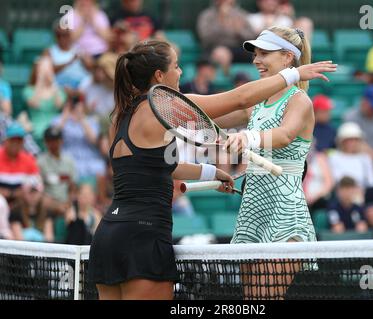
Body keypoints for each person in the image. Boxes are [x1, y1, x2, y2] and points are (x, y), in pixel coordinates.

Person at [87, 39, 336, 300]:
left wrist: (212, 173)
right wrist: (294, 73)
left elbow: (159, 168)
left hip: (108, 237)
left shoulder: (118, 117)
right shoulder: (166, 106)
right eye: (177, 66)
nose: (181, 72)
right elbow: (239, 98)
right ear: (160, 75)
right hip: (142, 237)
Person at [214, 26, 333, 299]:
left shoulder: (300, 100)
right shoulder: (256, 101)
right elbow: (210, 119)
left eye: (264, 53)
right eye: (255, 54)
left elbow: (284, 135)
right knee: (252, 302)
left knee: (266, 299)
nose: (256, 60)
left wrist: (248, 137)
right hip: (253, 209)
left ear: (287, 58)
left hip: (286, 211)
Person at [23, 56, 67, 147]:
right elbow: (34, 104)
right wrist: (40, 79)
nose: (46, 71)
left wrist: (53, 82)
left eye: (49, 68)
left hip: (55, 126)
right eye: (43, 68)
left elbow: (59, 105)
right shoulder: (28, 90)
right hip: (37, 127)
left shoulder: (59, 90)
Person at [37, 126, 76, 217]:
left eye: (56, 140)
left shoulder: (69, 161)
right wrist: (56, 205)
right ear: (45, 142)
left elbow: (72, 187)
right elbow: (39, 190)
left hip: (66, 203)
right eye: (50, 141)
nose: (53, 143)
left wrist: (68, 203)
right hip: (48, 204)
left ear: (61, 141)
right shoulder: (40, 162)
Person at [0, 123, 40, 207]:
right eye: (12, 140)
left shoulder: (28, 159)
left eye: (19, 140)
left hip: (20, 202)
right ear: (5, 141)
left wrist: (26, 192)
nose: (15, 143)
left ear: (23, 142)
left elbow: (36, 185)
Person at [9, 177, 54, 242]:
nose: (33, 196)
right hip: (23, 248)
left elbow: (49, 237)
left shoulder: (47, 211)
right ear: (24, 193)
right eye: (30, 192)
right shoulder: (16, 211)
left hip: (41, 248)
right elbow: (18, 238)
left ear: (41, 193)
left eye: (35, 192)